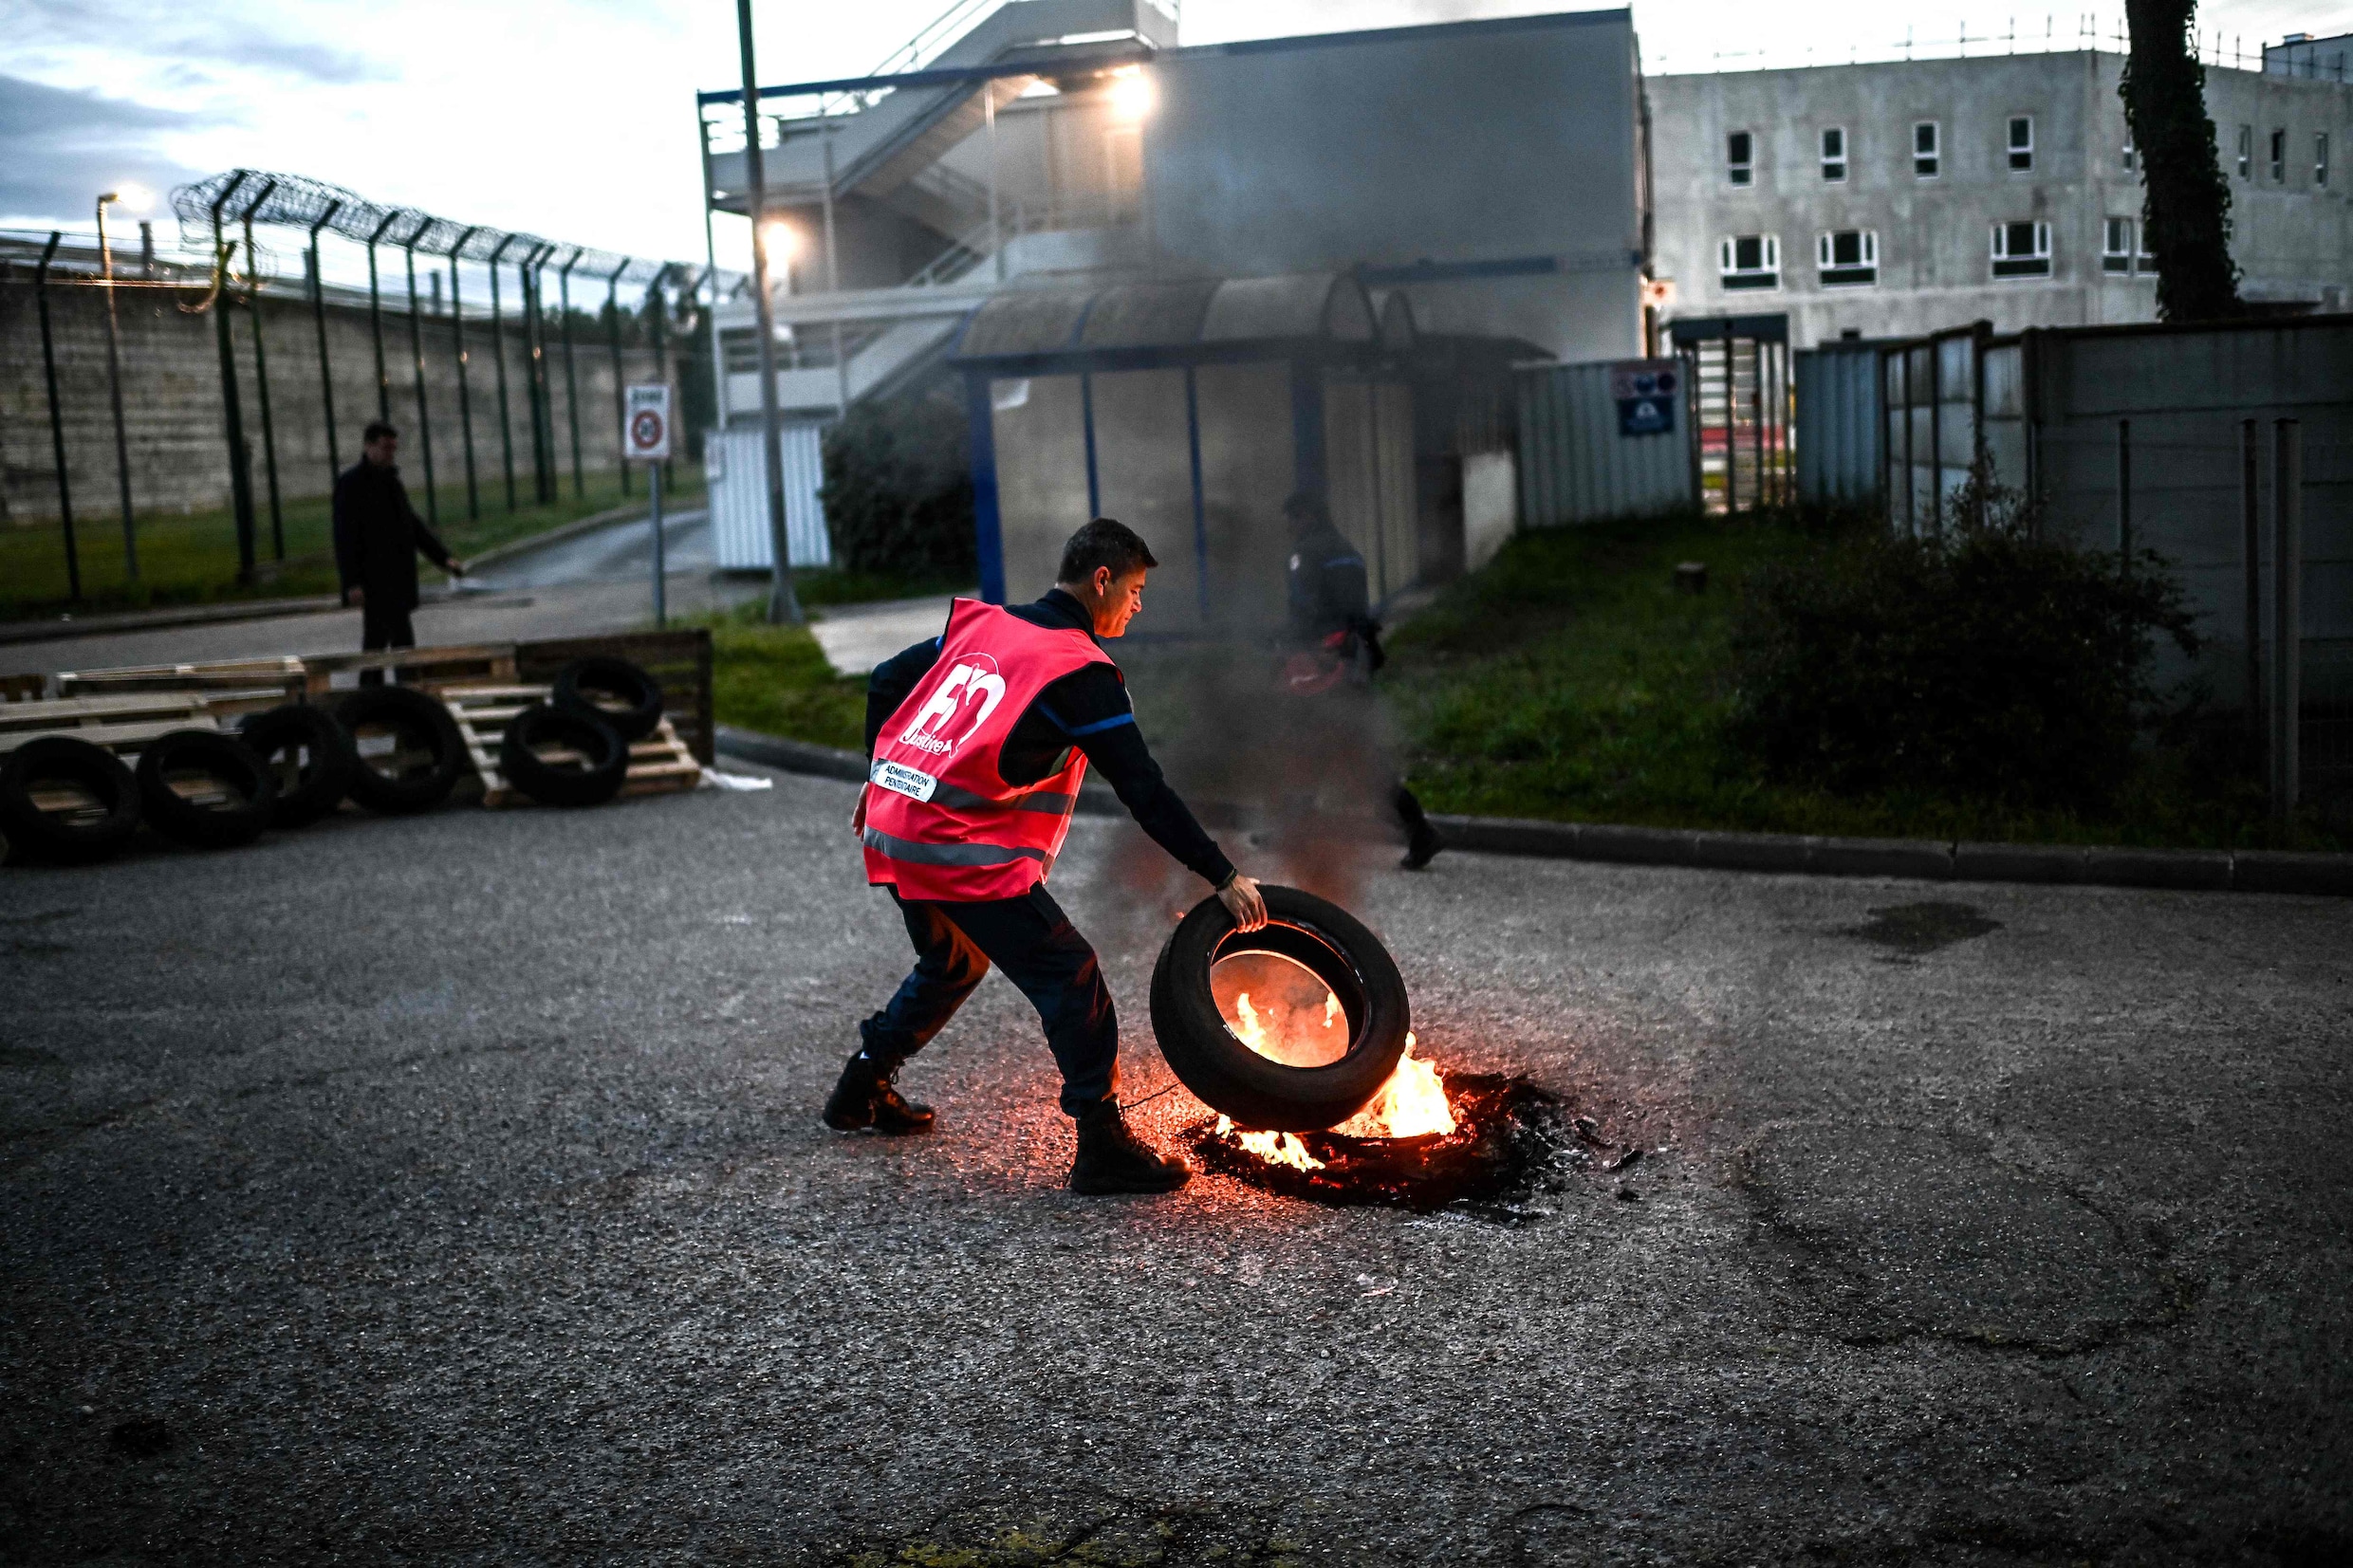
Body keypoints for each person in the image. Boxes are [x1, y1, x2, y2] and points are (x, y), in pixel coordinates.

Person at [833, 517, 1268, 1196]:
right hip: (955, 849)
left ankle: (863, 1080)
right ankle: (1102, 1146)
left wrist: (878, 770)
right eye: (1135, 587)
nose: (1138, 603)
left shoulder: (988, 626)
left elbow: (887, 679)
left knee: (953, 959)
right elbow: (1143, 789)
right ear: (1102, 579)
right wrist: (1222, 872)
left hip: (894, 829)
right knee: (1072, 975)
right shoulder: (1079, 671)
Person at [1280, 491, 1445, 869]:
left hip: (1325, 663)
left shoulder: (1306, 553)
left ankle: (1420, 832)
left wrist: (1288, 647)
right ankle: (1291, 827)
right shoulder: (1348, 551)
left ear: (1305, 516)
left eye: (1292, 519)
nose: (1289, 527)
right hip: (1352, 660)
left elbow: (1306, 609)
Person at [332, 422, 465, 684]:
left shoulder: (391, 481)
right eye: (385, 447)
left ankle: (394, 694)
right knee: (382, 644)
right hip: (374, 580)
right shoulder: (352, 485)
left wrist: (443, 558)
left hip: (397, 578)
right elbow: (344, 537)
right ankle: (384, 696)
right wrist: (352, 582)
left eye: (393, 448)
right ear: (369, 446)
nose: (391, 453)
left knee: (390, 643)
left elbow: (411, 525)